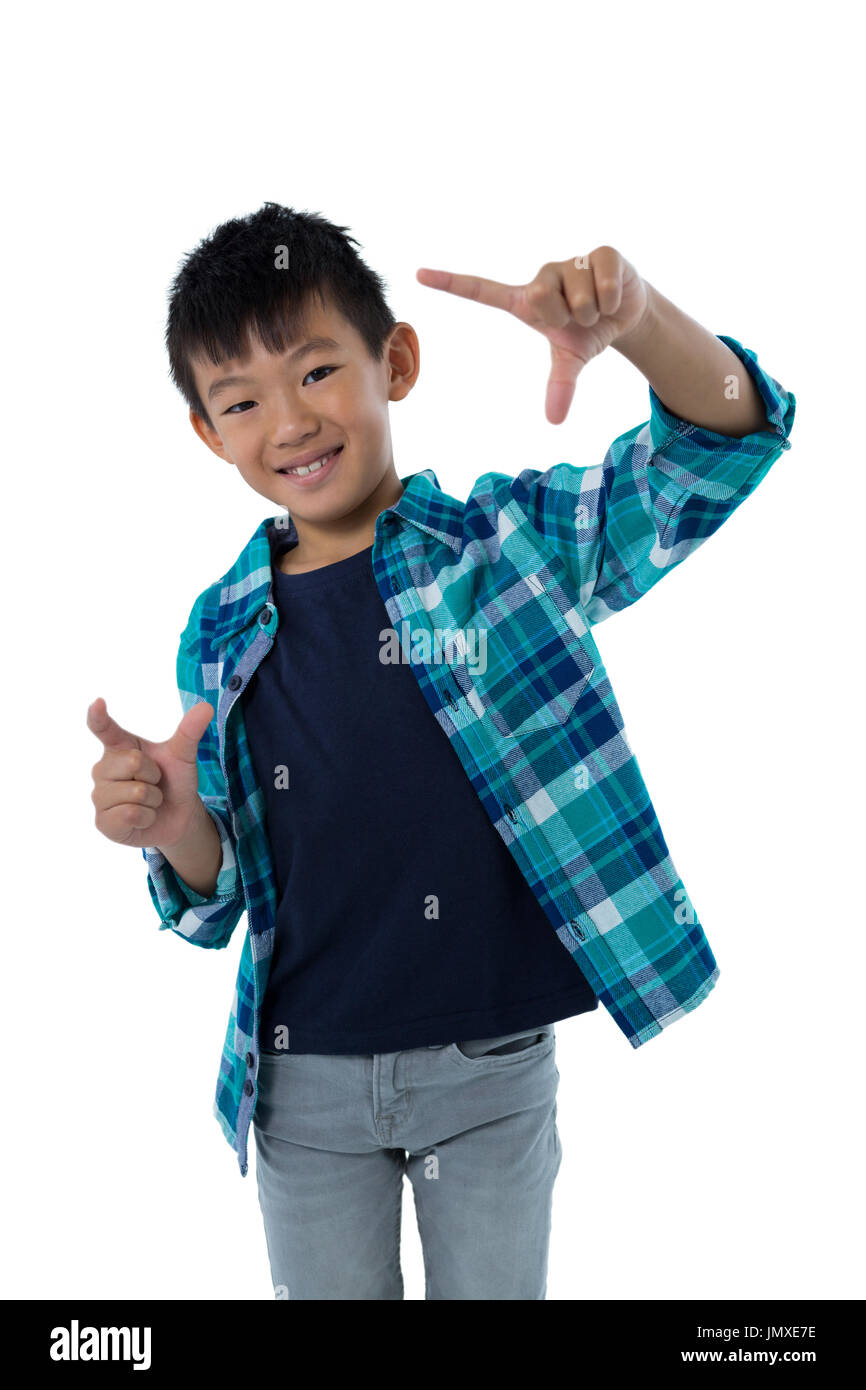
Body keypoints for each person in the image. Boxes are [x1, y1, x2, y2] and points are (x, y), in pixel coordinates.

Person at [87, 202, 796, 1300]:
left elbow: (716, 450)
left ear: (395, 361)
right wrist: (175, 824)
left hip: (488, 1071)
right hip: (300, 1082)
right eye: (240, 400)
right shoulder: (217, 628)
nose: (288, 422)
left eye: (316, 372)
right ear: (207, 432)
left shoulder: (507, 550)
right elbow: (216, 895)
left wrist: (640, 318)